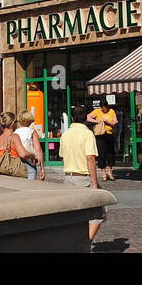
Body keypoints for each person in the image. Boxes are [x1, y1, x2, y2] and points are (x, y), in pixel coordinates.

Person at [58, 104, 103, 244]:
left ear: (71, 118)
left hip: (68, 178)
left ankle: (74, 242)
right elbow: (90, 158)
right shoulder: (87, 134)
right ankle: (85, 242)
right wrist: (94, 182)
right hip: (83, 179)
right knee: (98, 214)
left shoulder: (65, 135)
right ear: (86, 119)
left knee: (73, 215)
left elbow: (63, 157)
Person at [87, 100, 118, 182]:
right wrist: (96, 121)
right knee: (101, 154)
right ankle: (104, 174)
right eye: (102, 108)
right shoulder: (97, 111)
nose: (103, 110)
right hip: (100, 136)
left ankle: (110, 173)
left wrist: (108, 122)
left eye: (104, 108)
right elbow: (87, 117)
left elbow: (115, 122)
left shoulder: (111, 111)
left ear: (107, 107)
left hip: (109, 134)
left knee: (110, 154)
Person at [14, 109, 46, 180]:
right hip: (30, 162)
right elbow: (38, 149)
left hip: (17, 164)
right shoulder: (32, 131)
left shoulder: (15, 132)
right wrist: (42, 168)